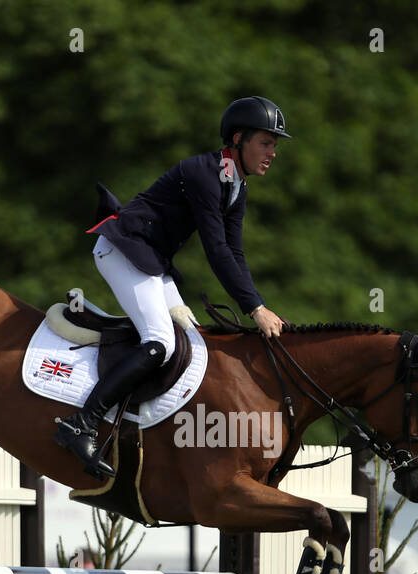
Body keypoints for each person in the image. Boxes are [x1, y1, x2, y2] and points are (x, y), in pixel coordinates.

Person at [54, 97, 291, 478]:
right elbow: (216, 252)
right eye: (266, 142)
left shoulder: (235, 186)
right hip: (122, 250)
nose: (272, 153)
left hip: (151, 261)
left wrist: (259, 302)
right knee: (160, 343)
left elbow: (235, 252)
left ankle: (151, 427)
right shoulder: (204, 173)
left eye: (275, 145)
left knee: (189, 338)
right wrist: (255, 309)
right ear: (238, 138)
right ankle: (80, 423)